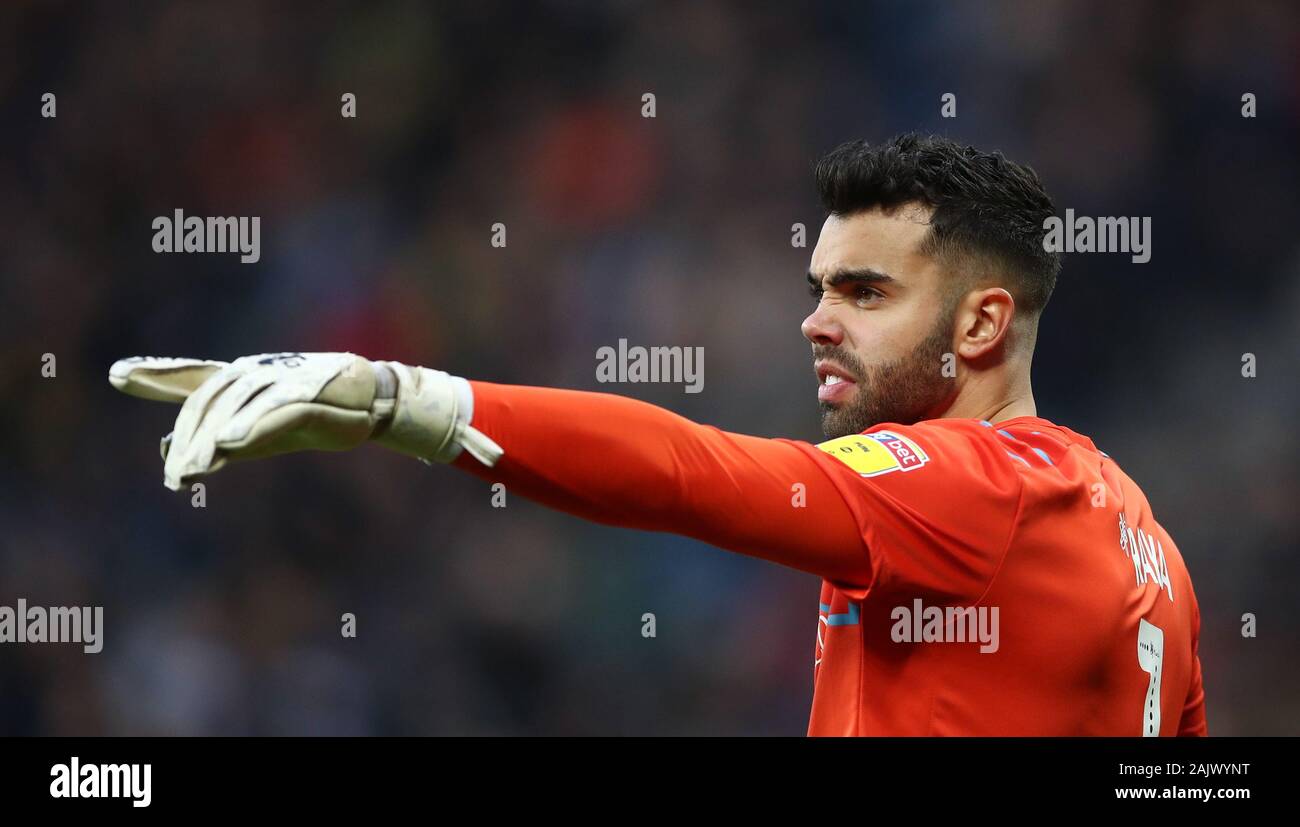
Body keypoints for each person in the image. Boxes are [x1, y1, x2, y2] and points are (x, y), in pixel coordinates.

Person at [110, 134, 1206, 736]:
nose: (816, 321)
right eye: (818, 286)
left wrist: (402, 397)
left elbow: (695, 473)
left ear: (979, 322)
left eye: (865, 293)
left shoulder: (974, 484)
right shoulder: (1148, 549)